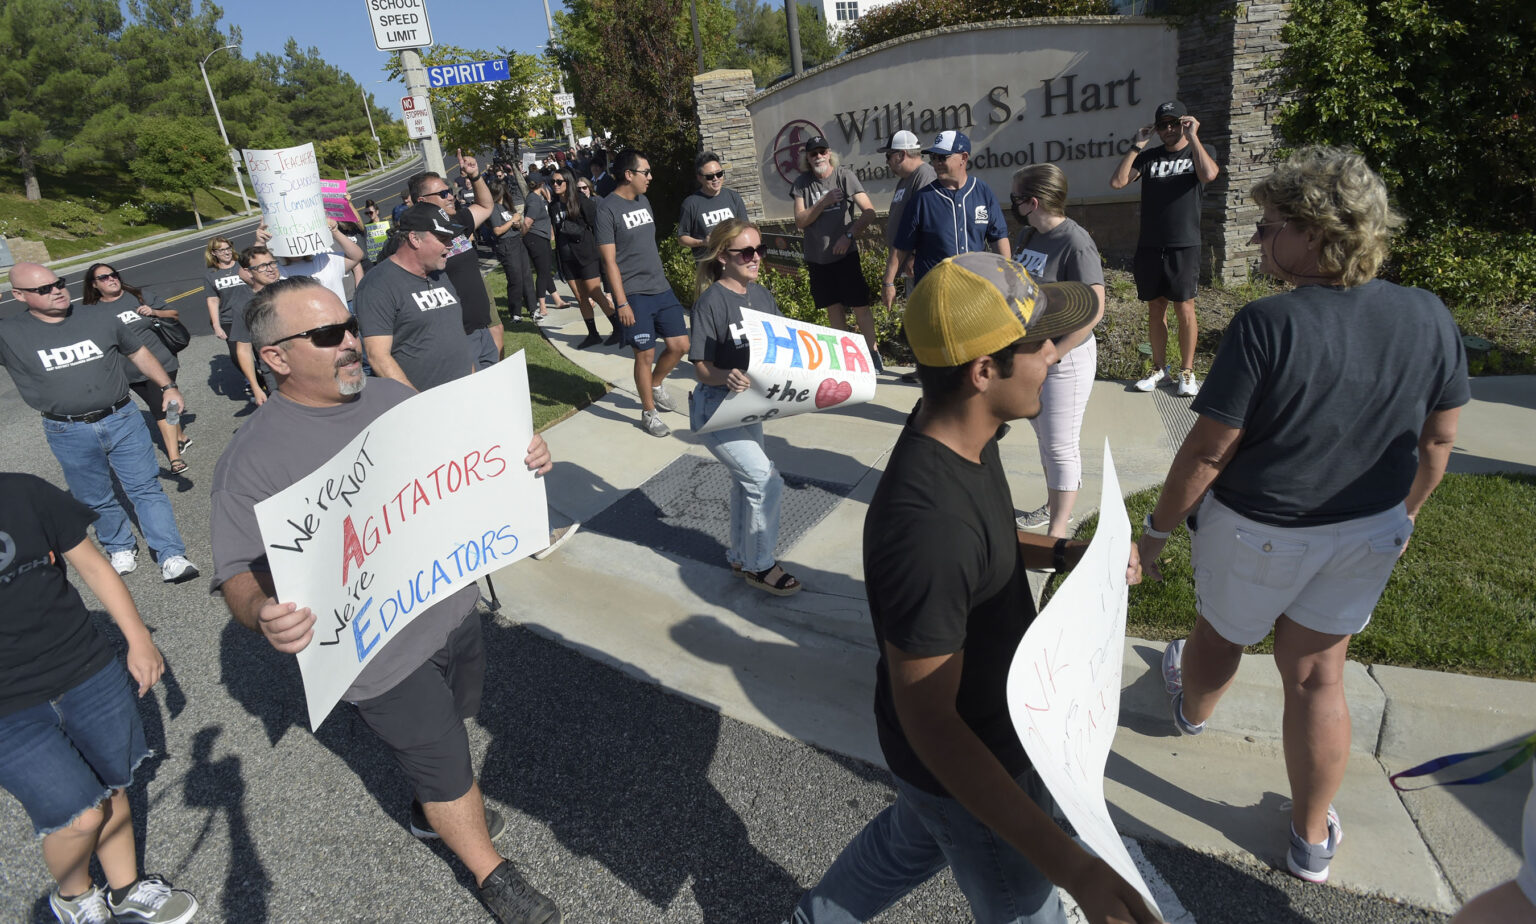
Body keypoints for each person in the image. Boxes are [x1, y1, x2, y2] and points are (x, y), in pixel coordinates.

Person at [1136, 146, 1469, 884]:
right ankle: (1310, 838)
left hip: (1259, 530)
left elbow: (1208, 453)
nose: (1258, 241)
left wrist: (1156, 532)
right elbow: (1438, 440)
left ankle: (1190, 711)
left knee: (1221, 634)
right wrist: (1406, 514)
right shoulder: (1428, 314)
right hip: (1368, 529)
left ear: (1317, 232)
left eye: (1270, 225)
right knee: (1320, 676)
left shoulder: (1267, 325)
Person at [789, 252, 1153, 924]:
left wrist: (1069, 550)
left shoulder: (966, 434)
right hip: (970, 763)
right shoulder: (927, 526)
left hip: (973, 751)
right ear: (984, 370)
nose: (1054, 354)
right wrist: (1074, 868)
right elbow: (933, 723)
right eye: (1040, 345)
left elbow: (986, 542)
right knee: (1024, 906)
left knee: (910, 842)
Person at [209, 277, 560, 924]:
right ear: (276, 358)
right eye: (326, 336)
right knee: (443, 758)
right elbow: (233, 570)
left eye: (347, 326)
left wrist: (524, 456)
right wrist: (260, 612)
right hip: (375, 654)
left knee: (459, 719)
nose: (350, 343)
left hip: (452, 611)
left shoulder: (393, 394)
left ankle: (438, 806)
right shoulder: (251, 463)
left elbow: (464, 463)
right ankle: (491, 872)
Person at [0, 471, 200, 924]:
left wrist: (139, 639)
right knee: (80, 815)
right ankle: (73, 897)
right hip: (8, 707)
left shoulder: (23, 492)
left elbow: (93, 565)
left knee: (112, 785)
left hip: (86, 670)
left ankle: (126, 889)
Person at [0, 263, 198, 583]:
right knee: (95, 497)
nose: (57, 290)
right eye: (44, 289)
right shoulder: (9, 333)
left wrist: (168, 387)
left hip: (122, 417)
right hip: (67, 430)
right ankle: (119, 546)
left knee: (145, 487)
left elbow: (138, 352)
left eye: (59, 283)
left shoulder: (97, 316)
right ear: (19, 296)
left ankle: (171, 554)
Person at [688, 219, 801, 596]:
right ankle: (760, 564)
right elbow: (702, 368)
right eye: (747, 252)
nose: (756, 258)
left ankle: (740, 556)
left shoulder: (762, 295)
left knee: (746, 482)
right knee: (764, 481)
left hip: (749, 407)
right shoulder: (711, 302)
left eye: (760, 250)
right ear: (723, 257)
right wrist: (725, 376)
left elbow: (781, 347)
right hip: (715, 409)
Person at [1008, 163, 1106, 536]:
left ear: (1033, 202)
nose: (1012, 205)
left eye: (1016, 198)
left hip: (1065, 359)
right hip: (1034, 354)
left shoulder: (1075, 242)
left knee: (1061, 443)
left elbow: (1093, 310)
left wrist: (1054, 354)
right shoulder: (1029, 236)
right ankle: (1053, 507)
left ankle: (1058, 533)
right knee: (1046, 438)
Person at [1109, 100, 1221, 397]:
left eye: (1174, 123)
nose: (1168, 129)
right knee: (1155, 307)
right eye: (1163, 125)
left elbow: (1209, 175)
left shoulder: (1201, 151)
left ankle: (1187, 371)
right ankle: (1159, 369)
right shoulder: (1150, 157)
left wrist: (1194, 136)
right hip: (1150, 244)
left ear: (1184, 123)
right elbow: (1118, 182)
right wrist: (1137, 145)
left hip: (1183, 244)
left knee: (1184, 307)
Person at [596, 150, 690, 438]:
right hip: (634, 294)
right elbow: (609, 261)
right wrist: (620, 301)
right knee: (645, 354)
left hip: (660, 287)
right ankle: (649, 412)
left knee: (680, 345)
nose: (650, 177)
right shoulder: (606, 209)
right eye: (645, 172)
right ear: (629, 175)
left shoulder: (644, 200)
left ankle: (656, 384)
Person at [81, 262, 190, 474]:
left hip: (161, 362)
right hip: (128, 371)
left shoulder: (140, 296)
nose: (111, 279)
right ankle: (180, 436)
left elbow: (174, 314)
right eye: (104, 277)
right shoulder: (92, 311)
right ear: (94, 285)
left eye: (113, 275)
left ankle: (175, 458)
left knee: (160, 406)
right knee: (166, 404)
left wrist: (155, 312)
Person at [355, 203, 471, 391]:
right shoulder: (377, 285)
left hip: (465, 395)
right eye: (443, 238)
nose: (450, 245)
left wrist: (472, 377)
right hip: (422, 406)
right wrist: (416, 404)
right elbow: (378, 357)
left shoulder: (438, 273)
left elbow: (456, 336)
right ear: (415, 239)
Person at [791, 136, 882, 372]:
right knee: (833, 308)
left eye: (822, 151)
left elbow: (869, 212)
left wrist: (849, 235)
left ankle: (873, 355)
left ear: (829, 153)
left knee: (860, 306)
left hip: (845, 256)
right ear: (807, 159)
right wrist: (823, 202)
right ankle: (845, 359)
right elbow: (800, 221)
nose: (819, 156)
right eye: (813, 154)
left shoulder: (844, 176)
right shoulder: (802, 183)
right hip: (817, 259)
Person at [888, 130, 1011, 289]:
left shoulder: (982, 191)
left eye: (942, 157)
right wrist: (888, 282)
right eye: (933, 158)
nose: (936, 163)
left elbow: (998, 237)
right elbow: (901, 246)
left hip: (974, 287)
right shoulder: (922, 198)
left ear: (964, 158)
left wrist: (1007, 276)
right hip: (936, 290)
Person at [551, 167, 619, 348]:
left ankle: (618, 327)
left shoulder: (582, 201)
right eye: (553, 182)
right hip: (567, 256)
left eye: (559, 182)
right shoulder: (554, 206)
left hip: (587, 253)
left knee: (595, 292)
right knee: (581, 296)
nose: (555, 185)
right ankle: (593, 334)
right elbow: (557, 234)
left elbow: (596, 226)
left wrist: (603, 252)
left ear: (568, 182)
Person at [876, 130, 935, 310]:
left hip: (920, 266)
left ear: (902, 154)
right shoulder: (905, 180)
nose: (886, 161)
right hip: (910, 268)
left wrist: (915, 255)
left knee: (926, 316)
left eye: (888, 155)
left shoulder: (925, 176)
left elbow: (927, 221)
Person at [229, 246, 282, 405]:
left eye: (272, 263)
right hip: (276, 373)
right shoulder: (244, 306)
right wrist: (256, 387)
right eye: (262, 266)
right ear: (248, 271)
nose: (270, 269)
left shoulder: (293, 289)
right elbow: (243, 350)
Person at [677, 152, 749, 259]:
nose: (715, 178)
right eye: (710, 176)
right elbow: (682, 238)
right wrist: (703, 242)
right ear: (699, 178)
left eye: (719, 174)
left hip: (734, 262)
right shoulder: (691, 203)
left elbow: (745, 228)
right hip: (708, 267)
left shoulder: (734, 197)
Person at [488, 176, 536, 322]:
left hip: (517, 241)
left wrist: (516, 223)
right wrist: (512, 221)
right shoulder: (493, 208)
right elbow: (497, 231)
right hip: (506, 245)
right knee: (515, 278)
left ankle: (533, 309)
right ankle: (515, 313)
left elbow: (517, 225)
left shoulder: (507, 206)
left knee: (527, 277)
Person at [202, 236, 248, 356]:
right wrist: (216, 326)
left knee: (261, 355)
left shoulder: (242, 265)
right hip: (229, 320)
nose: (227, 252)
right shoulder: (211, 274)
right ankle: (254, 376)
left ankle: (265, 375)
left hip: (251, 315)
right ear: (213, 253)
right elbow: (212, 300)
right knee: (237, 357)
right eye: (221, 250)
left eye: (228, 248)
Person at [522, 181, 555, 319]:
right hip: (536, 238)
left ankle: (557, 299)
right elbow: (527, 222)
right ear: (542, 184)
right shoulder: (534, 201)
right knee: (542, 272)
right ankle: (542, 306)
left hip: (541, 237)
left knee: (545, 270)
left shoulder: (536, 197)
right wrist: (521, 236)